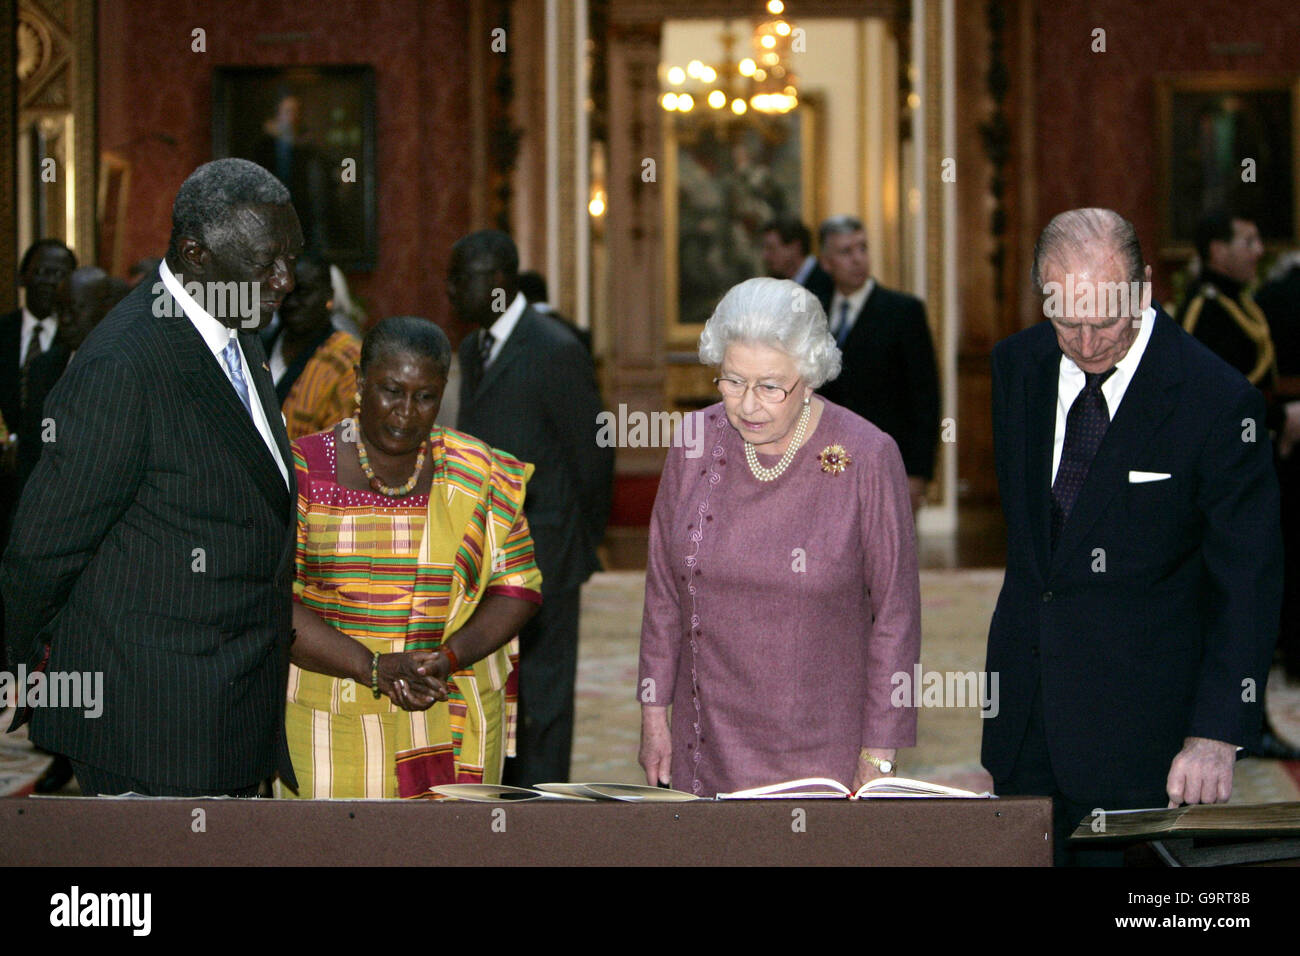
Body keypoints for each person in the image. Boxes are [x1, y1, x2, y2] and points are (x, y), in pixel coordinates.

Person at [983, 207, 1282, 865]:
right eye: (1066, 320)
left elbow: (1249, 580)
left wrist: (1216, 732)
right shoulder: (1016, 366)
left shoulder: (1216, 400)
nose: (1088, 343)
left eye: (1107, 319)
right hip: (1025, 710)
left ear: (1145, 290)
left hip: (1141, 731)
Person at [1, 158, 304, 797]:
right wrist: (25, 669)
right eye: (265, 264)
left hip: (229, 705)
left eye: (291, 257)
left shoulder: (234, 324)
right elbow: (40, 551)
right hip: (153, 726)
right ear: (195, 254)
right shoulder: (123, 366)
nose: (286, 280)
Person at [637, 277, 921, 798]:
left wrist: (879, 755)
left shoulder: (868, 456)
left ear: (810, 376)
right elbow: (663, 590)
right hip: (707, 740)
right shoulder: (695, 441)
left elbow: (896, 614)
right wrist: (654, 715)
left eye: (770, 386)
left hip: (820, 749)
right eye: (731, 381)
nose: (746, 405)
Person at [279, 316, 541, 798]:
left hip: (451, 708)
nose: (405, 412)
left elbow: (517, 588)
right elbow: (269, 601)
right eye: (390, 391)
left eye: (425, 397)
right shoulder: (300, 473)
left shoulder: (478, 473)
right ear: (359, 383)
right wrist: (374, 667)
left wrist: (447, 657)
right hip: (330, 719)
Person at [452, 230, 614, 787]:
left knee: (543, 698)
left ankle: (545, 818)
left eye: (461, 280)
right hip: (487, 557)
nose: (450, 293)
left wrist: (577, 538)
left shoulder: (553, 347)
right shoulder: (475, 348)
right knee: (501, 686)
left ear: (498, 280)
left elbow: (592, 456)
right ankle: (505, 796)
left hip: (546, 555)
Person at [1178, 211, 1300, 760]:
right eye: (1247, 240)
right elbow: (1209, 402)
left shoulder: (1242, 303)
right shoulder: (1205, 309)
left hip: (1257, 469)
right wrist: (1277, 422)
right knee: (1233, 601)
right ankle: (1233, 724)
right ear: (1216, 249)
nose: (1259, 249)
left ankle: (1251, 720)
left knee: (1256, 597)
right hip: (1223, 483)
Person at [814, 215, 940, 513]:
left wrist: (918, 474)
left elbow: (925, 397)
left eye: (863, 248)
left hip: (886, 464)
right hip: (826, 465)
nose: (858, 259)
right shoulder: (811, 312)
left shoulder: (903, 312)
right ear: (827, 262)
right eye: (846, 252)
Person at [0, 239, 77, 550]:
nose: (49, 281)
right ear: (23, 277)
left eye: (59, 273)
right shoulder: (3, 331)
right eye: (42, 271)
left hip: (53, 483)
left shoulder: (78, 336)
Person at [18, 266, 115, 485]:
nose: (65, 320)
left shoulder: (130, 367)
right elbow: (30, 450)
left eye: (75, 309)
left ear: (107, 308)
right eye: (60, 311)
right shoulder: (44, 367)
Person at [264, 253, 361, 441]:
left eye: (304, 292)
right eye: (286, 293)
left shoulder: (348, 359)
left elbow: (343, 444)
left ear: (329, 294)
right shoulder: (259, 346)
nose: (292, 302)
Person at [759, 214, 834, 312]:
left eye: (771, 248)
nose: (765, 256)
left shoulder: (827, 280)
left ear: (795, 247)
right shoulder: (776, 285)